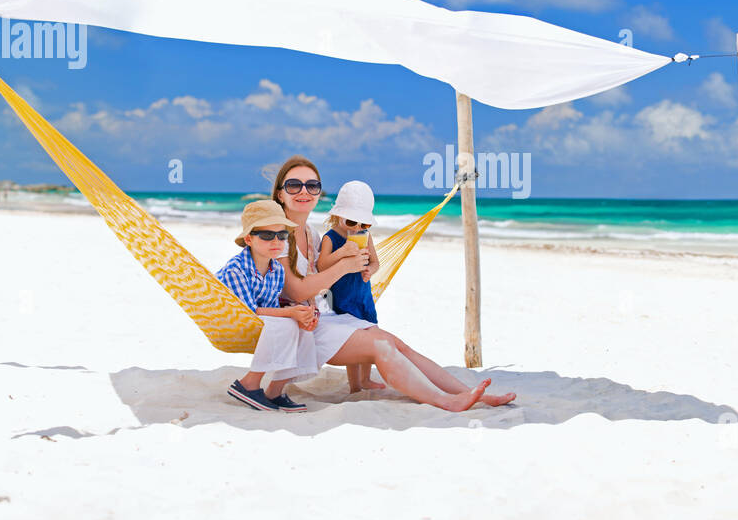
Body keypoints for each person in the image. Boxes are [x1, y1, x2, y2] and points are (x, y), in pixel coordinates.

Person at [270, 155, 516, 411]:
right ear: (280, 193)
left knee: (397, 344)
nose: (304, 191)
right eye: (293, 185)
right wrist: (344, 266)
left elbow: (321, 282)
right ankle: (445, 401)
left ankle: (471, 394)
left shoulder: (312, 234)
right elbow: (296, 290)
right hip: (300, 325)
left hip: (322, 314)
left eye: (312, 186)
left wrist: (357, 270)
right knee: (382, 347)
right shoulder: (276, 234)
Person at [215, 199, 317, 413]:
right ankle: (248, 384)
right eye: (267, 235)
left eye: (282, 235)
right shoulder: (236, 269)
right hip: (232, 320)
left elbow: (271, 308)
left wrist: (301, 313)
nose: (276, 241)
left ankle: (275, 390)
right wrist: (290, 312)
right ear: (249, 239)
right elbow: (248, 311)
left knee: (303, 327)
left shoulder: (277, 270)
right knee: (287, 324)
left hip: (258, 319)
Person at [316, 180, 382, 393]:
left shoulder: (365, 236)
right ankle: (355, 385)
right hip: (341, 297)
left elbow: (375, 262)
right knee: (353, 340)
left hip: (362, 295)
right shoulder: (331, 238)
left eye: (365, 224)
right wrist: (342, 252)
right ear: (338, 216)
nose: (358, 228)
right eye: (352, 222)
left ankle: (366, 378)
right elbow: (321, 265)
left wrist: (369, 271)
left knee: (371, 334)